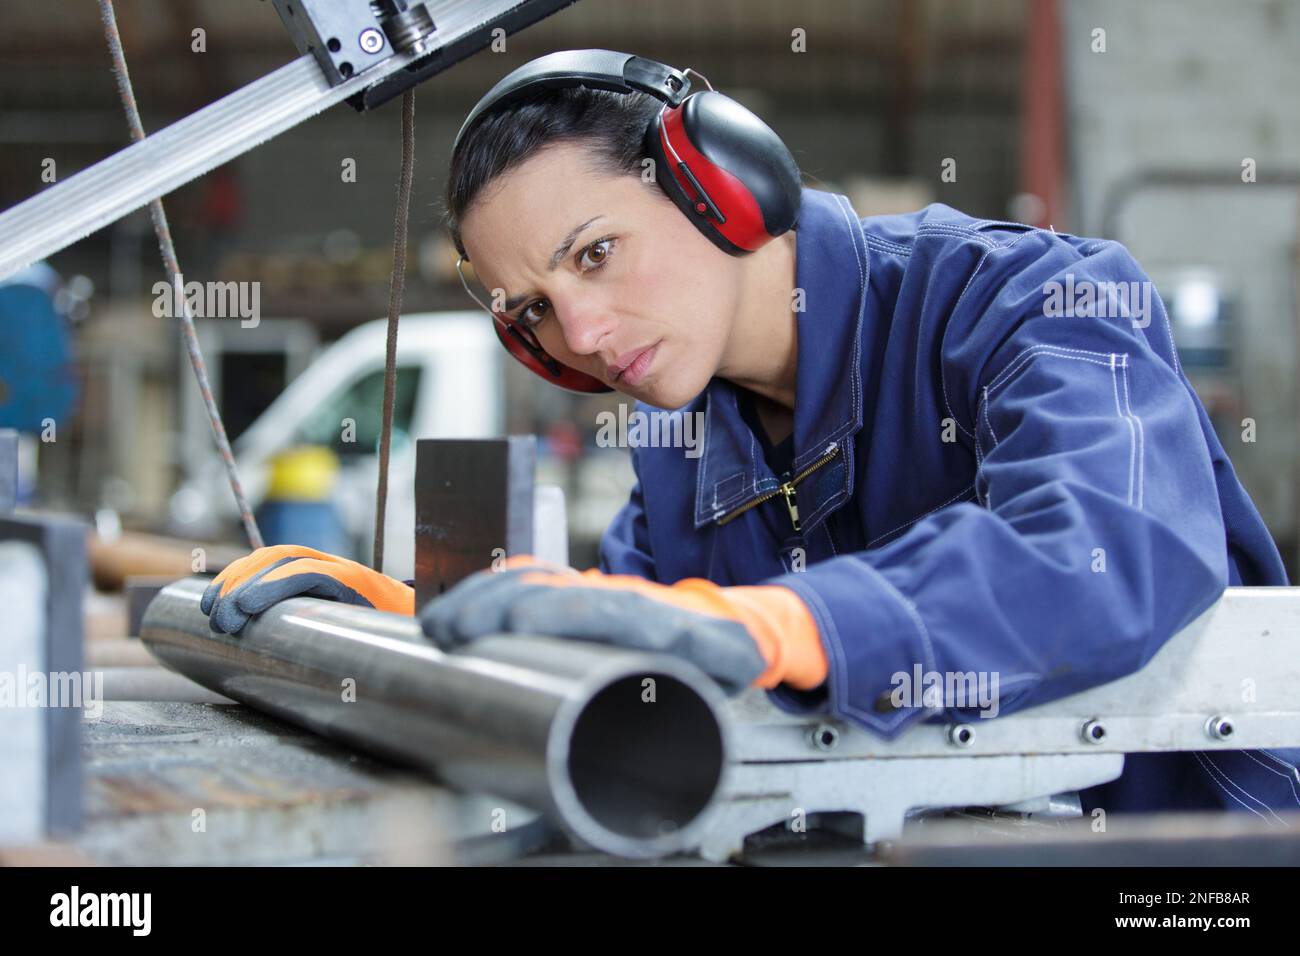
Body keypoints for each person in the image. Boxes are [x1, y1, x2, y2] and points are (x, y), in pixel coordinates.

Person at [201, 50, 1299, 819]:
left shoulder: (1028, 301)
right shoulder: (683, 438)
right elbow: (635, 628)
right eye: (530, 311)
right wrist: (421, 626)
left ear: (723, 185)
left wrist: (786, 624)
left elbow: (1104, 547)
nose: (579, 331)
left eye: (593, 253)